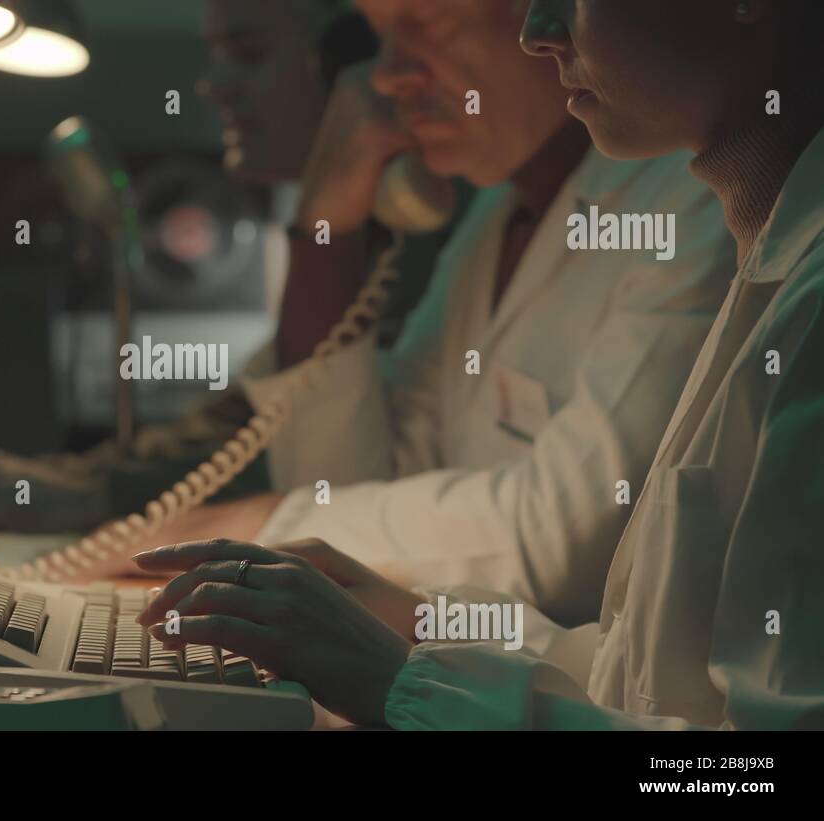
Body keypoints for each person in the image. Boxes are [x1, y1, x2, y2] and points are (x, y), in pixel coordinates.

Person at [135, 0, 824, 730]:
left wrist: (400, 682)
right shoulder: (759, 243)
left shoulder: (768, 268)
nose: (540, 34)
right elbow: (639, 678)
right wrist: (423, 619)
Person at [0, 0, 383, 534]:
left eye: (248, 54)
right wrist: (64, 477)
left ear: (346, 64)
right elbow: (234, 433)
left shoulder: (402, 254)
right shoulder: (315, 235)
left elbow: (307, 473)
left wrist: (85, 496)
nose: (212, 86)